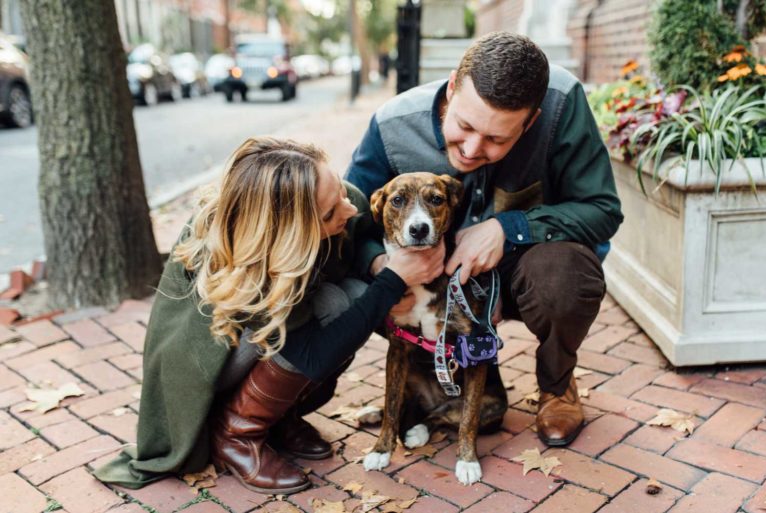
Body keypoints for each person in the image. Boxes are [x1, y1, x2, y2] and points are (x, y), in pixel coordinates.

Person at [94, 137, 444, 494]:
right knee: (339, 307)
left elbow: (363, 233)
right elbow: (313, 355)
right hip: (209, 358)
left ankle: (280, 417)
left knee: (352, 296)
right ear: (291, 235)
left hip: (274, 330)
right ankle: (235, 433)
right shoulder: (258, 261)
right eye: (329, 214)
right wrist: (392, 282)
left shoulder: (335, 198)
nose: (349, 209)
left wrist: (376, 261)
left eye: (339, 189)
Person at [345, 32, 624, 447]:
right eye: (464, 126)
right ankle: (423, 388)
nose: (473, 149)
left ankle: (557, 385)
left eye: (497, 139)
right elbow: (350, 224)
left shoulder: (563, 103)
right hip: (423, 282)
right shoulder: (392, 125)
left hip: (517, 270)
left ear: (530, 120)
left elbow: (602, 209)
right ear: (454, 86)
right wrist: (382, 269)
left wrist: (508, 228)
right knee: (350, 287)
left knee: (566, 276)